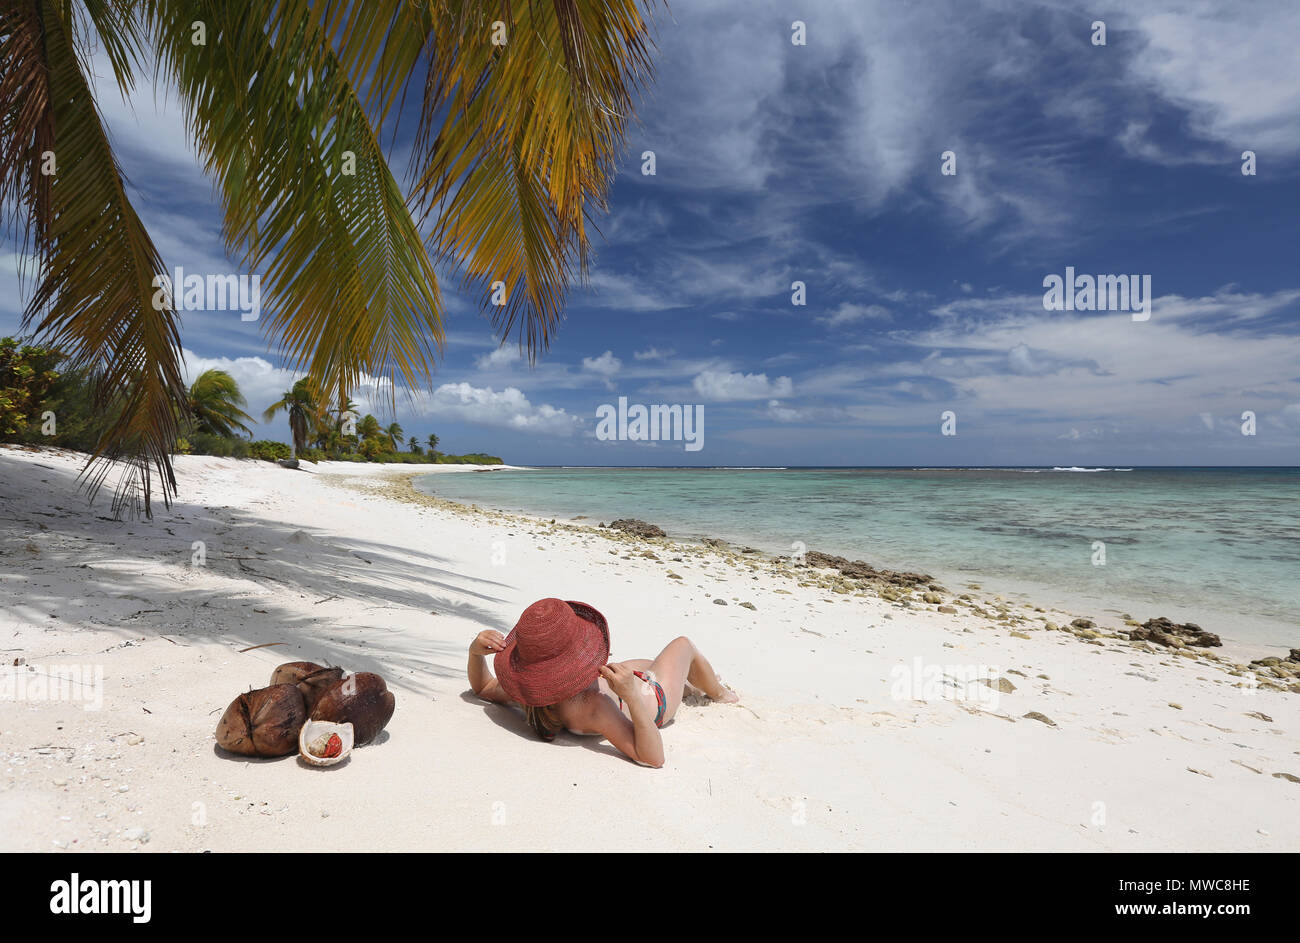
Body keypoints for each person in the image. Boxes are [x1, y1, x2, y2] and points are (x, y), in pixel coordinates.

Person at [467, 598, 738, 768]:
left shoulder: (529, 692)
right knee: (683, 645)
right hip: (653, 698)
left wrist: (474, 653)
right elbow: (653, 758)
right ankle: (720, 693)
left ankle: (691, 686)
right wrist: (632, 695)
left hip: (622, 683)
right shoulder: (594, 706)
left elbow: (483, 688)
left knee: (637, 664)